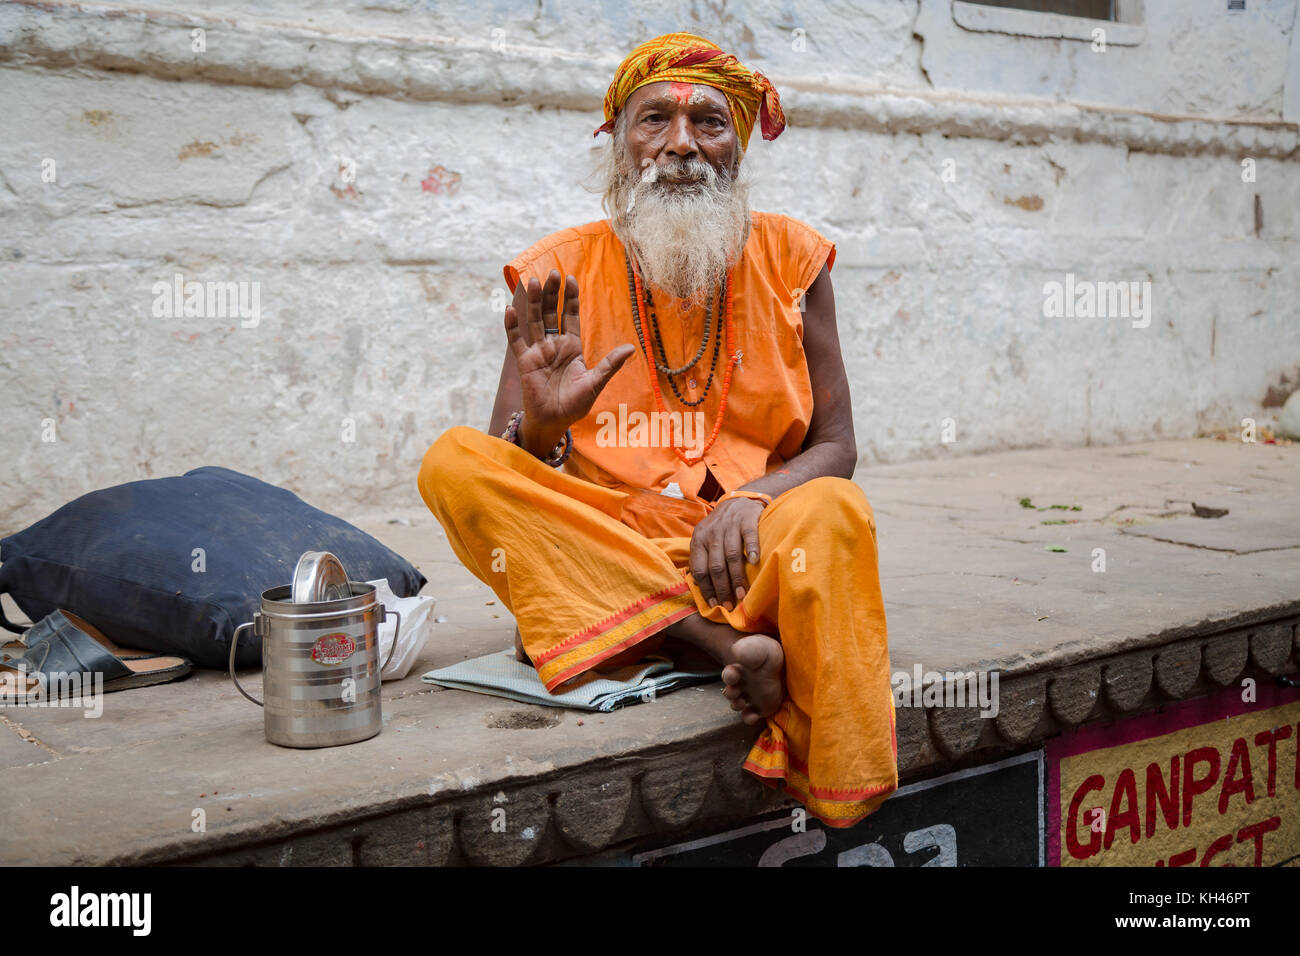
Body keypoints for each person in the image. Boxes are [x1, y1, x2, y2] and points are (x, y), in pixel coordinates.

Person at [419, 32, 897, 827]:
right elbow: (511, 465)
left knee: (836, 514)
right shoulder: (557, 268)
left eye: (709, 122)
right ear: (618, 145)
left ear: (738, 145)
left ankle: (642, 638)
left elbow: (837, 447)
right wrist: (542, 426)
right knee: (454, 464)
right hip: (613, 535)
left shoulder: (796, 261)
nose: (680, 145)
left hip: (750, 545)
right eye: (654, 122)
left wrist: (756, 500)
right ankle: (712, 646)